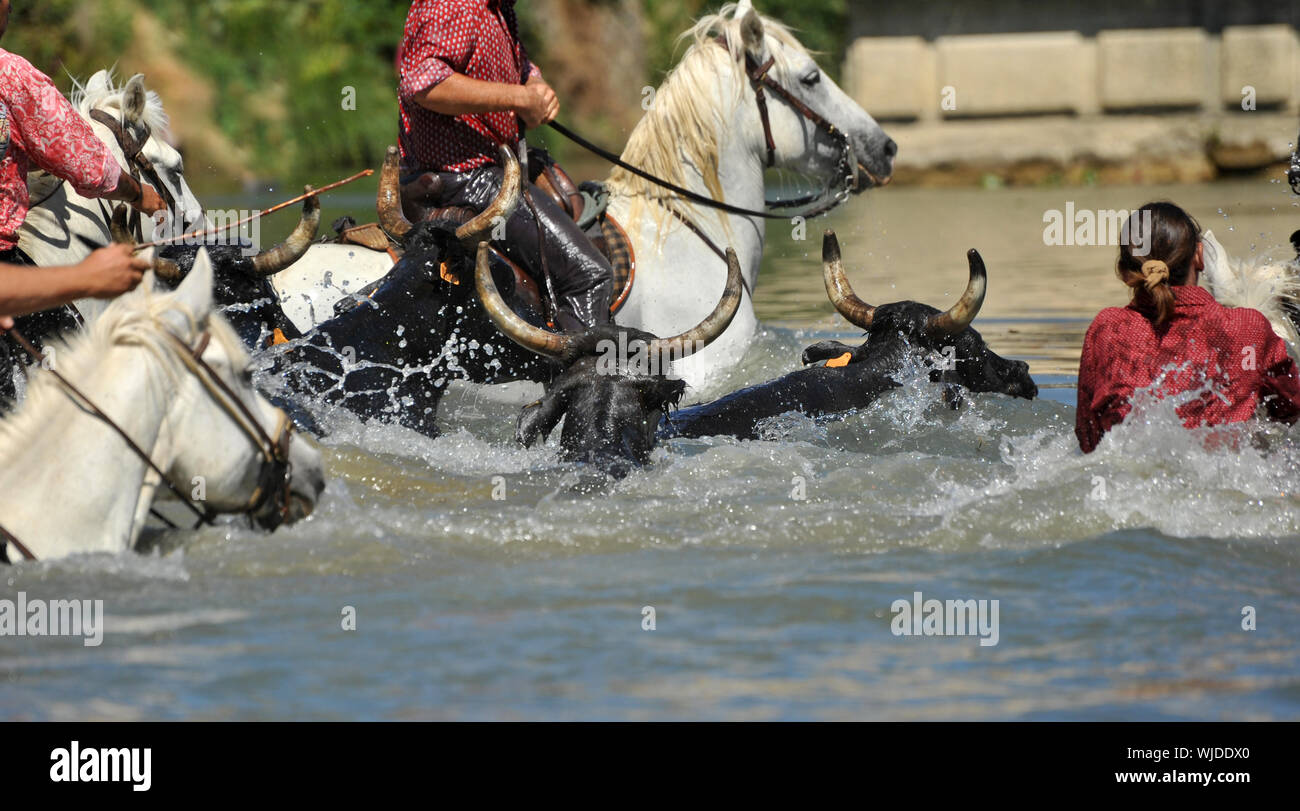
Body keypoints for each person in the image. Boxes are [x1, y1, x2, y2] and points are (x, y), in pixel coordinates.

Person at [397, 0, 613, 332]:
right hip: (464, 178)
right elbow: (426, 84)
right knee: (588, 275)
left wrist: (535, 86)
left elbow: (521, 67)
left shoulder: (499, 8)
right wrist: (517, 98)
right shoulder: (457, 3)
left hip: (486, 170)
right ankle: (588, 379)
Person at [1075, 201, 1300, 452]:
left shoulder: (1107, 329)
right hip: (1229, 476)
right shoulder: (1249, 328)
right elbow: (1291, 409)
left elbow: (1088, 437)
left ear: (1124, 272)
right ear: (1199, 256)